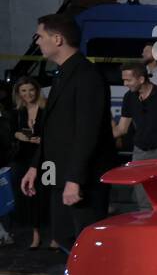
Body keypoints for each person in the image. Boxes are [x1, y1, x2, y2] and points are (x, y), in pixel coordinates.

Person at [19, 14, 116, 251]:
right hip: (60, 174)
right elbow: (53, 128)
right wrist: (36, 165)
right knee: (63, 236)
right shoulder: (62, 74)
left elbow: (87, 132)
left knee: (88, 243)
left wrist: (75, 180)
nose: (38, 41)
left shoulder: (86, 76)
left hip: (81, 179)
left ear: (58, 39)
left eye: (40, 36)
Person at [114, 62, 157, 210]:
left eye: (128, 80)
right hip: (140, 152)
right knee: (142, 197)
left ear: (141, 79)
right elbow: (122, 128)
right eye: (124, 80)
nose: (125, 84)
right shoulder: (129, 97)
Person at [9, 77, 48, 249]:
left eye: (31, 90)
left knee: (48, 194)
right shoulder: (17, 112)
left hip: (46, 157)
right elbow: (11, 132)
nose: (28, 94)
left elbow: (56, 132)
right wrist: (19, 135)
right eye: (23, 91)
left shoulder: (46, 109)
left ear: (37, 90)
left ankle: (55, 235)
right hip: (23, 157)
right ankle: (36, 234)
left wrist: (43, 140)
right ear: (18, 93)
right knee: (29, 196)